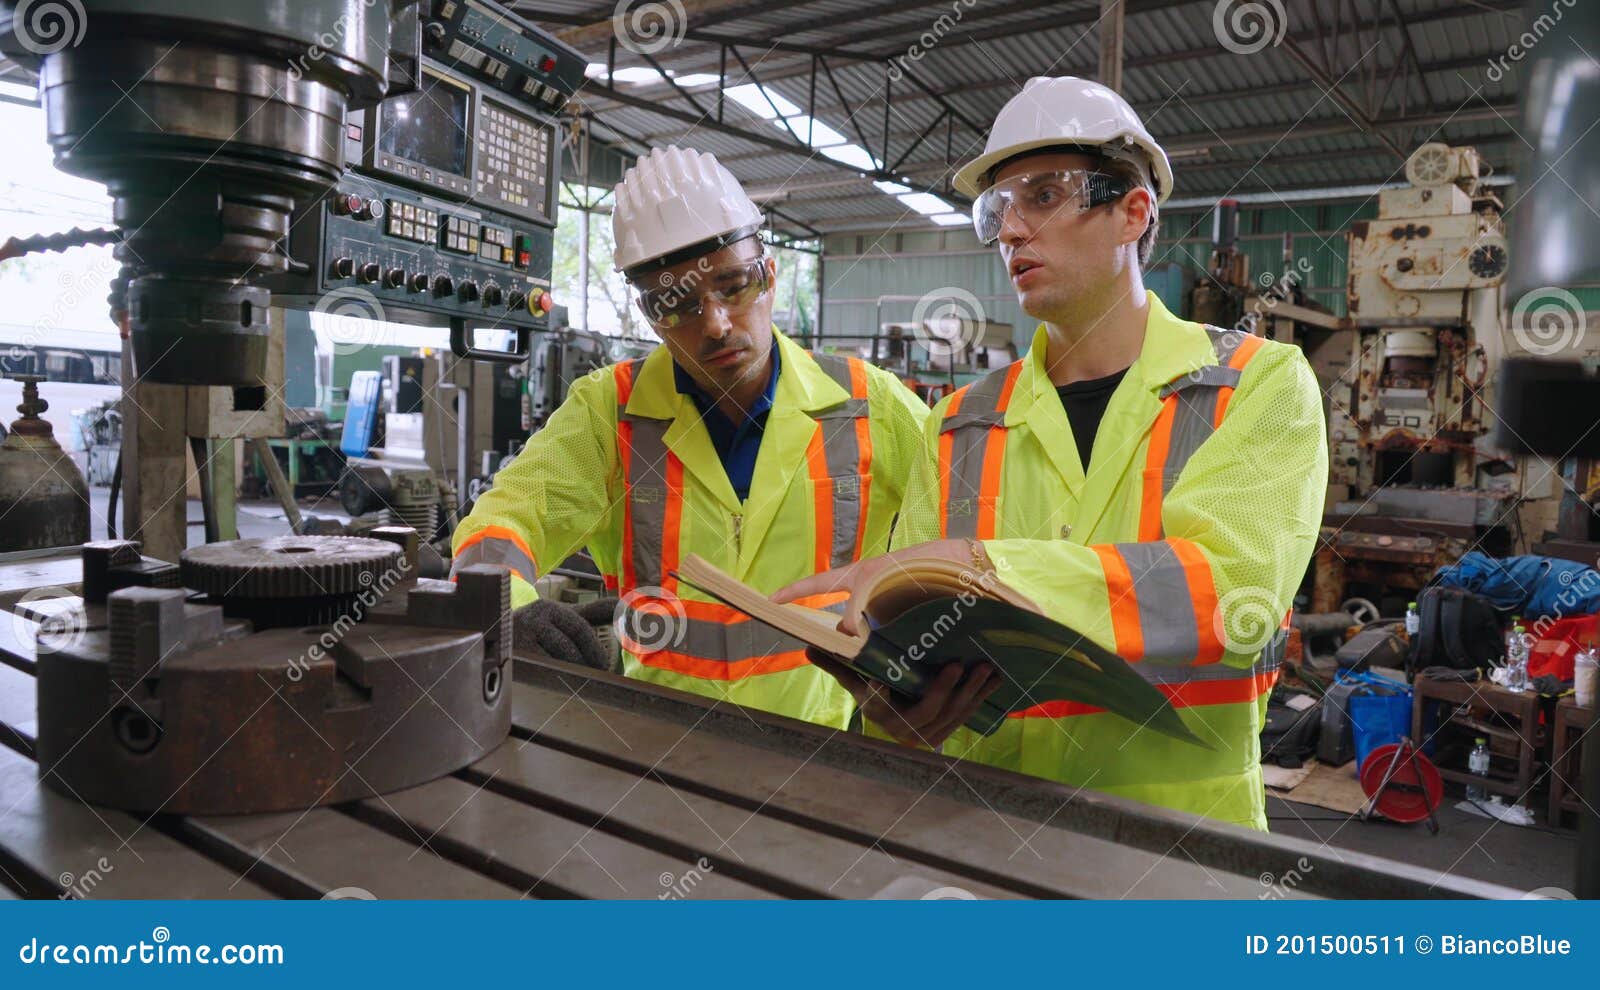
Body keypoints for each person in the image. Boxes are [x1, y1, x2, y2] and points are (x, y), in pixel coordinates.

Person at [775, 77, 1328, 830]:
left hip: (1179, 853)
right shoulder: (962, 421)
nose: (1009, 230)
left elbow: (1235, 594)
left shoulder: (1258, 386)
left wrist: (982, 568)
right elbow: (908, 624)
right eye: (998, 209)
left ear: (1133, 212)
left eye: (1041, 196)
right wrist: (889, 708)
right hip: (980, 836)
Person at [453, 145, 930, 729]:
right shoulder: (610, 414)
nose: (716, 324)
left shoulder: (870, 406)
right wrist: (505, 612)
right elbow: (502, 526)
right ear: (650, 316)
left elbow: (968, 542)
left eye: (733, 286)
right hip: (656, 755)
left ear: (770, 275)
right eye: (678, 303)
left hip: (821, 756)